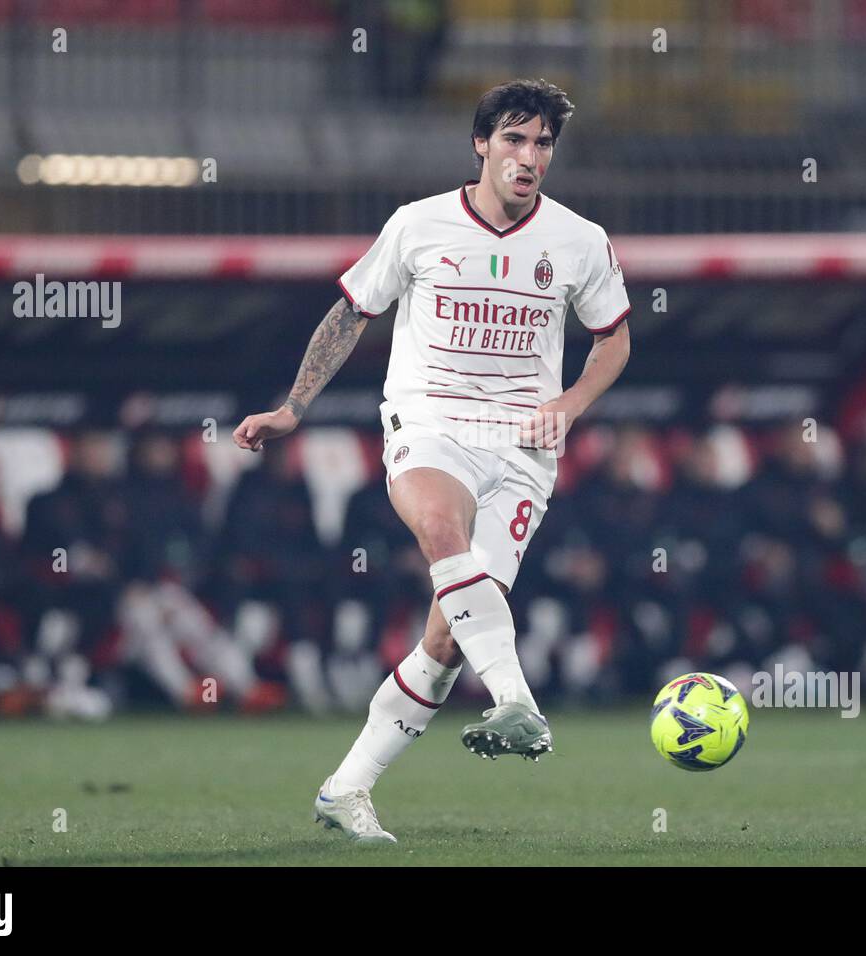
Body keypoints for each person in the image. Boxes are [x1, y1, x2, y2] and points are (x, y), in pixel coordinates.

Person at [233, 78, 631, 843]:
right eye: (514, 139)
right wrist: (292, 408)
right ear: (481, 144)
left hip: (523, 449)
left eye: (543, 143)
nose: (529, 157)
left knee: (448, 640)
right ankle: (519, 700)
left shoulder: (581, 240)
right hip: (431, 422)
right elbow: (352, 311)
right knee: (442, 532)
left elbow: (614, 336)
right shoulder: (418, 226)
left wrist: (571, 404)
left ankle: (345, 790)